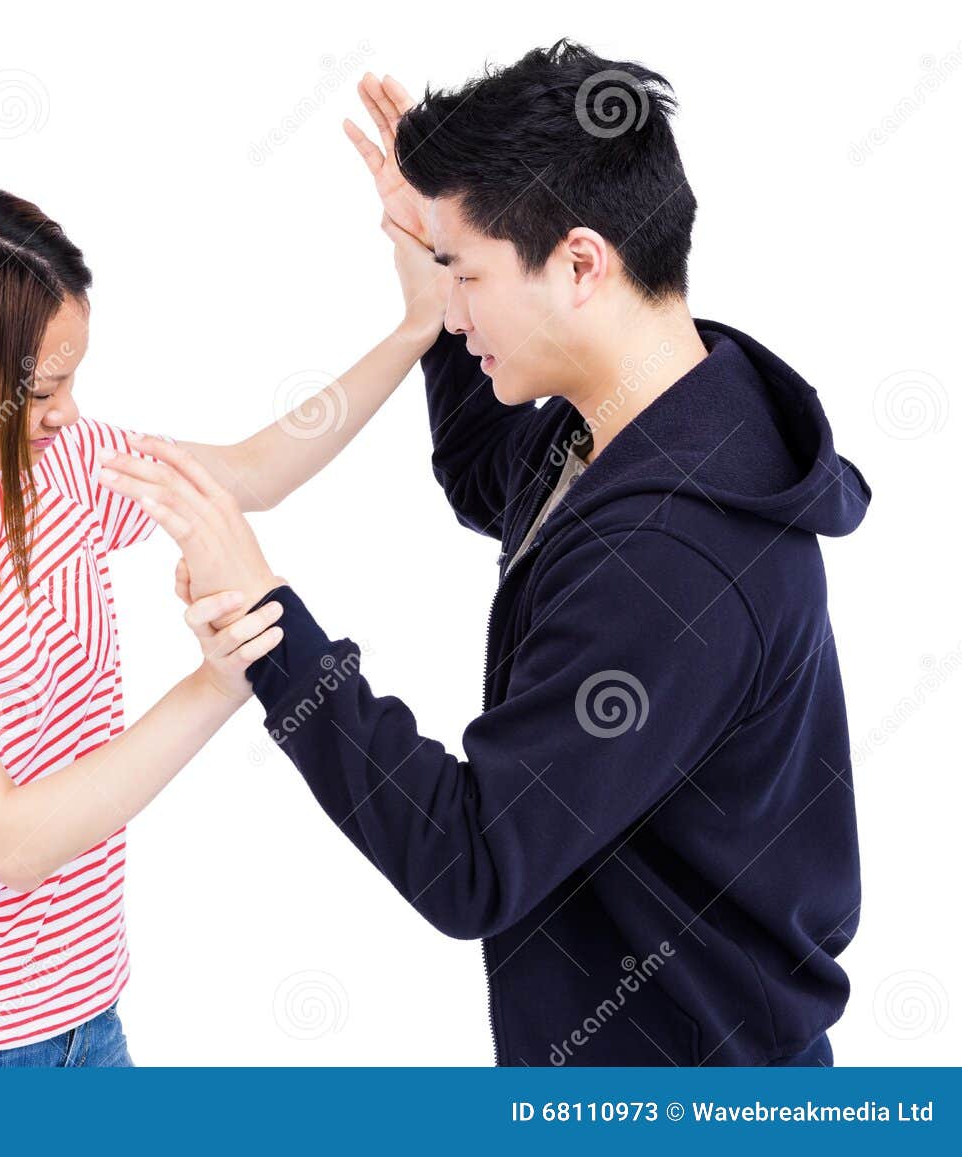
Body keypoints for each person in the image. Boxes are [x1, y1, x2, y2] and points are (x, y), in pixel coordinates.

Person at [95, 43, 872, 1066]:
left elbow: (472, 858)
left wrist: (268, 625)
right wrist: (427, 287)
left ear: (581, 261)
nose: (452, 314)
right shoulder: (639, 417)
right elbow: (482, 473)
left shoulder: (673, 553)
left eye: (463, 273)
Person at [0, 180, 443, 1066]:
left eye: (73, 379)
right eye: (44, 390)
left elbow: (253, 473)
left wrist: (417, 326)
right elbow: (11, 840)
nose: (71, 414)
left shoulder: (53, 461)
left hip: (86, 1022)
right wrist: (218, 683)